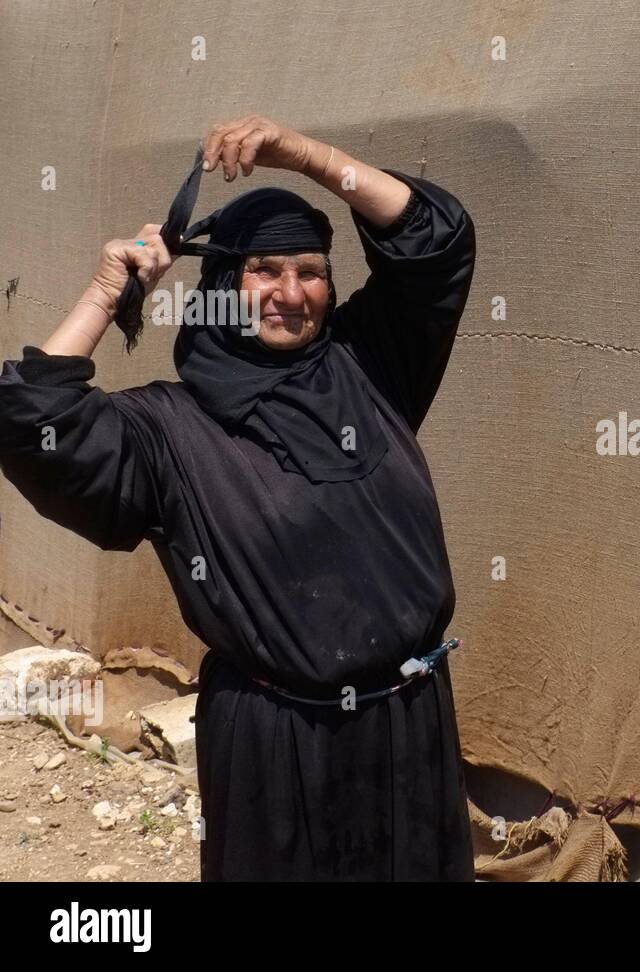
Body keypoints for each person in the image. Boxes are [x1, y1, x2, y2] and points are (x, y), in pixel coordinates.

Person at [0, 114, 476, 880]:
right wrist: (103, 292)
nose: (292, 293)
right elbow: (30, 420)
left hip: (410, 730)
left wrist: (299, 154)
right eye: (265, 270)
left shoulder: (372, 368)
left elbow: (437, 237)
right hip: (276, 753)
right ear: (223, 288)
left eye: (311, 270)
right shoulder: (167, 431)